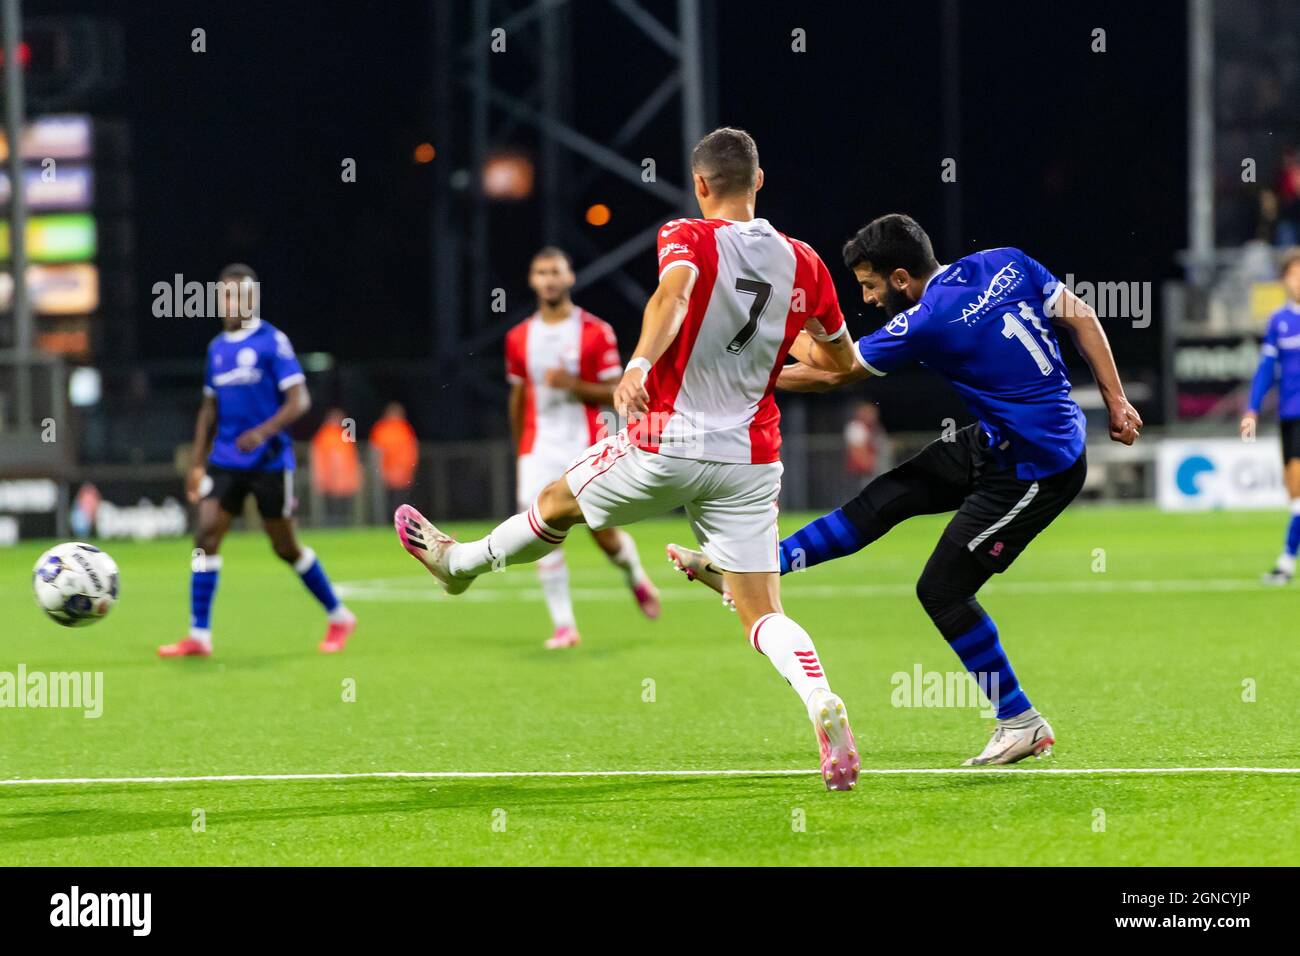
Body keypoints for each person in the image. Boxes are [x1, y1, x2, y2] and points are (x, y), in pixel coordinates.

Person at [395, 128, 863, 790]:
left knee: (556, 502)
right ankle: (819, 698)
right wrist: (778, 365)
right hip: (752, 459)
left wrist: (640, 362)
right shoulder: (806, 262)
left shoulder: (689, 235)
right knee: (762, 613)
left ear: (702, 186)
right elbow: (842, 364)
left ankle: (459, 565)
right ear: (760, 181)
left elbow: (671, 297)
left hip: (668, 438)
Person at [670, 213, 1142, 766]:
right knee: (884, 499)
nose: (868, 299)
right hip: (1001, 442)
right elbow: (1082, 317)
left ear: (900, 277)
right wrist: (1116, 401)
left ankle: (1021, 721)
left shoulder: (926, 320)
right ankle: (751, 573)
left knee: (941, 590)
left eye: (870, 286)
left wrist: (740, 365)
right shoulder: (1005, 261)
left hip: (1037, 469)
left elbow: (832, 372)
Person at [161, 264, 357, 658]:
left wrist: (263, 433)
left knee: (285, 547)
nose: (230, 303)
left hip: (268, 461)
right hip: (225, 460)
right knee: (205, 538)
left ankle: (339, 615)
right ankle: (199, 635)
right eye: (225, 295)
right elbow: (208, 409)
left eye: (238, 295)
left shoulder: (271, 342)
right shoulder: (217, 348)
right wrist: (198, 463)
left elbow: (299, 400)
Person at [502, 246, 660, 649]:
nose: (549, 279)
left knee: (603, 535)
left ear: (570, 277)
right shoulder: (519, 337)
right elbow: (519, 396)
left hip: (585, 444)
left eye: (556, 271)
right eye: (541, 272)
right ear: (532, 280)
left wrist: (573, 386)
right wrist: (520, 447)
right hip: (538, 448)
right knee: (539, 531)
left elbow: (616, 392)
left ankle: (634, 575)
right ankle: (564, 625)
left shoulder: (595, 331)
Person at [1241, 248, 1300, 583]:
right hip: (1290, 416)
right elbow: (1266, 368)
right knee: (1296, 498)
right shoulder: (1280, 321)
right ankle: (1287, 562)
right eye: (1294, 274)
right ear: (1285, 280)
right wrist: (1252, 408)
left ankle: (1286, 563)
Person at [311, 407, 361, 525]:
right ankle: (331, 526)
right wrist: (320, 477)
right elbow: (318, 457)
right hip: (330, 479)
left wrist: (355, 476)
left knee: (345, 507)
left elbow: (352, 458)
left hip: (344, 481)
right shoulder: (323, 435)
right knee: (332, 507)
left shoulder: (345, 436)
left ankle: (345, 525)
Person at [369, 402, 419, 517]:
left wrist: (410, 468)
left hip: (402, 472)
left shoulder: (405, 428)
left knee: (402, 501)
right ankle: (387, 522)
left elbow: (411, 449)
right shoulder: (381, 429)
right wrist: (379, 471)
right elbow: (375, 451)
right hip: (387, 472)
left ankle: (401, 523)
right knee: (386, 501)